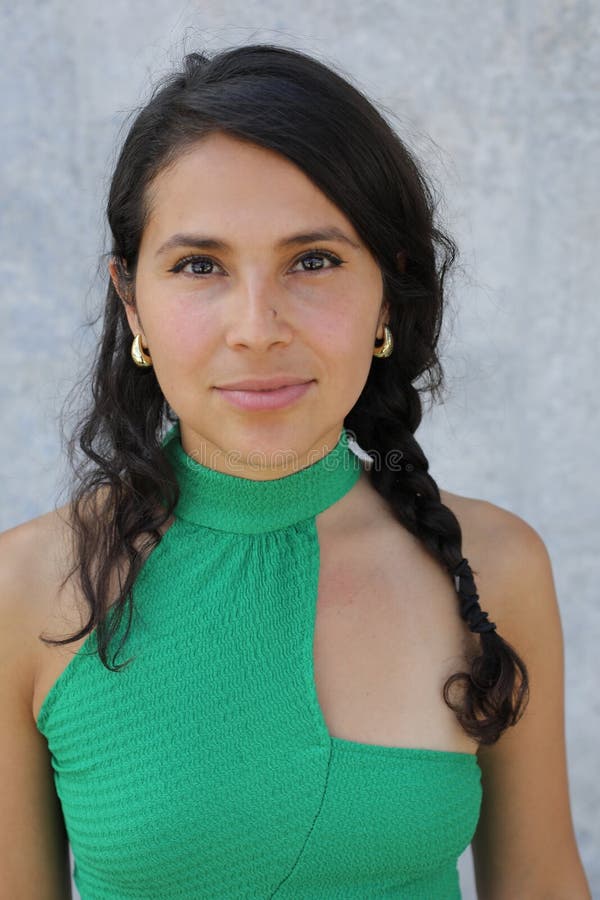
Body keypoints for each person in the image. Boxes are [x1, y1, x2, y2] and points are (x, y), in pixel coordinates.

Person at [0, 43, 591, 900]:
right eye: (199, 266)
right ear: (132, 302)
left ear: (388, 292)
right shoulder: (26, 591)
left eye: (312, 261)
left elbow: (541, 883)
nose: (256, 327)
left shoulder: (494, 568)